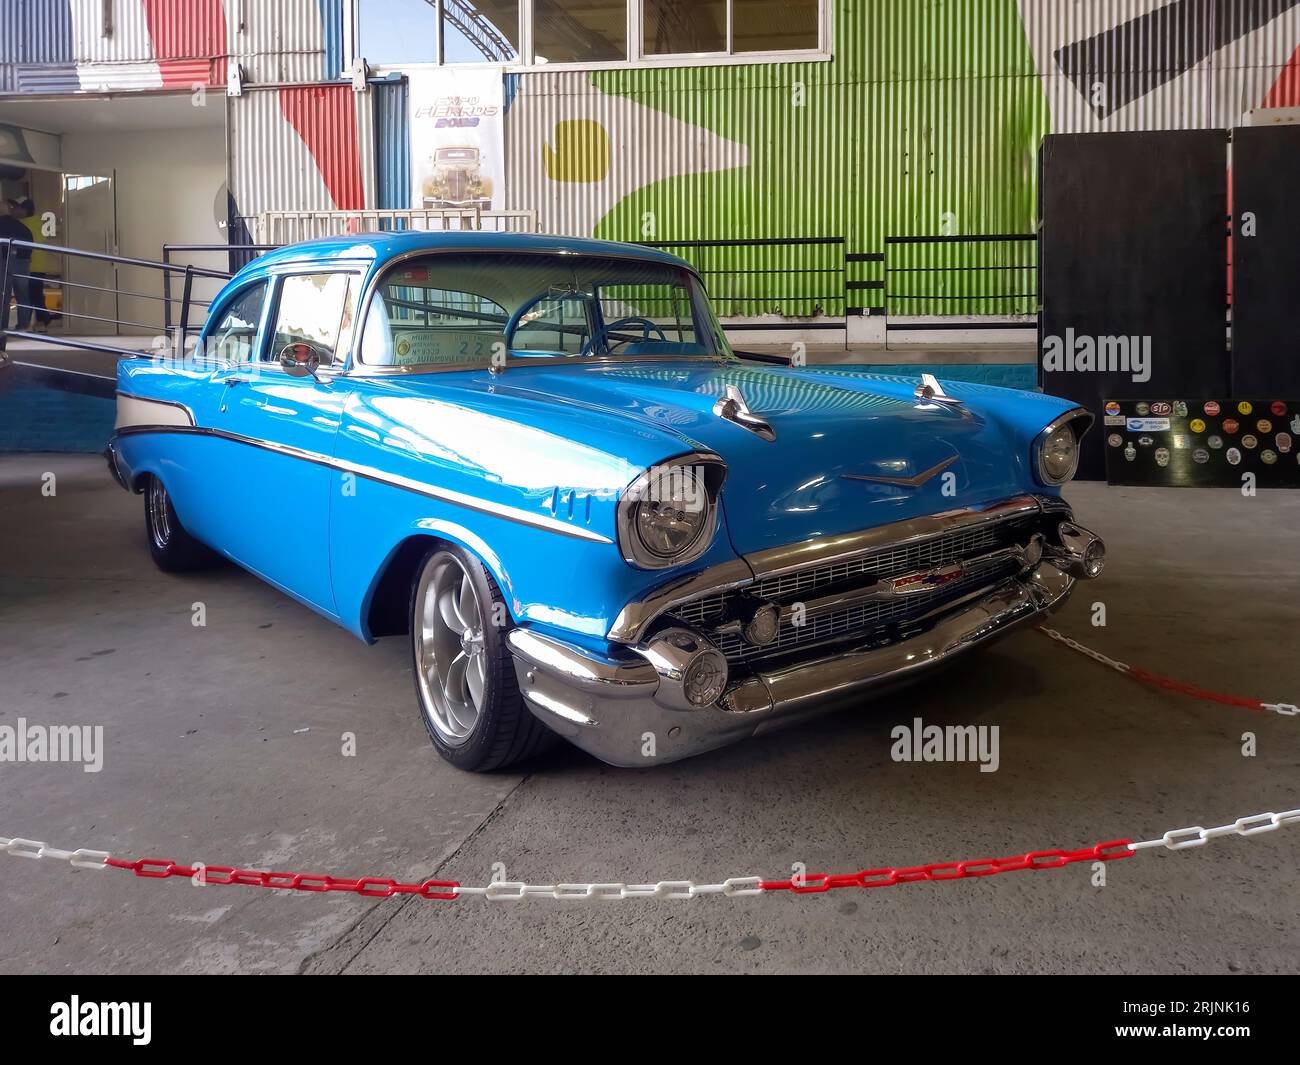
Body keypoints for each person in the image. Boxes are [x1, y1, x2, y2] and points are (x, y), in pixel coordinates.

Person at [14, 198, 53, 332]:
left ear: (24, 210)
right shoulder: (37, 223)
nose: (15, 211)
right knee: (33, 295)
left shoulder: (25, 225)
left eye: (17, 208)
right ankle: (32, 323)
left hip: (31, 266)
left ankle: (42, 319)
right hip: (38, 266)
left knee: (32, 296)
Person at [0, 198, 32, 334]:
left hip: (4, 262)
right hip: (22, 263)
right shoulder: (22, 227)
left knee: (4, 297)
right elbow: (30, 243)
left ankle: (3, 326)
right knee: (23, 296)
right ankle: (23, 325)